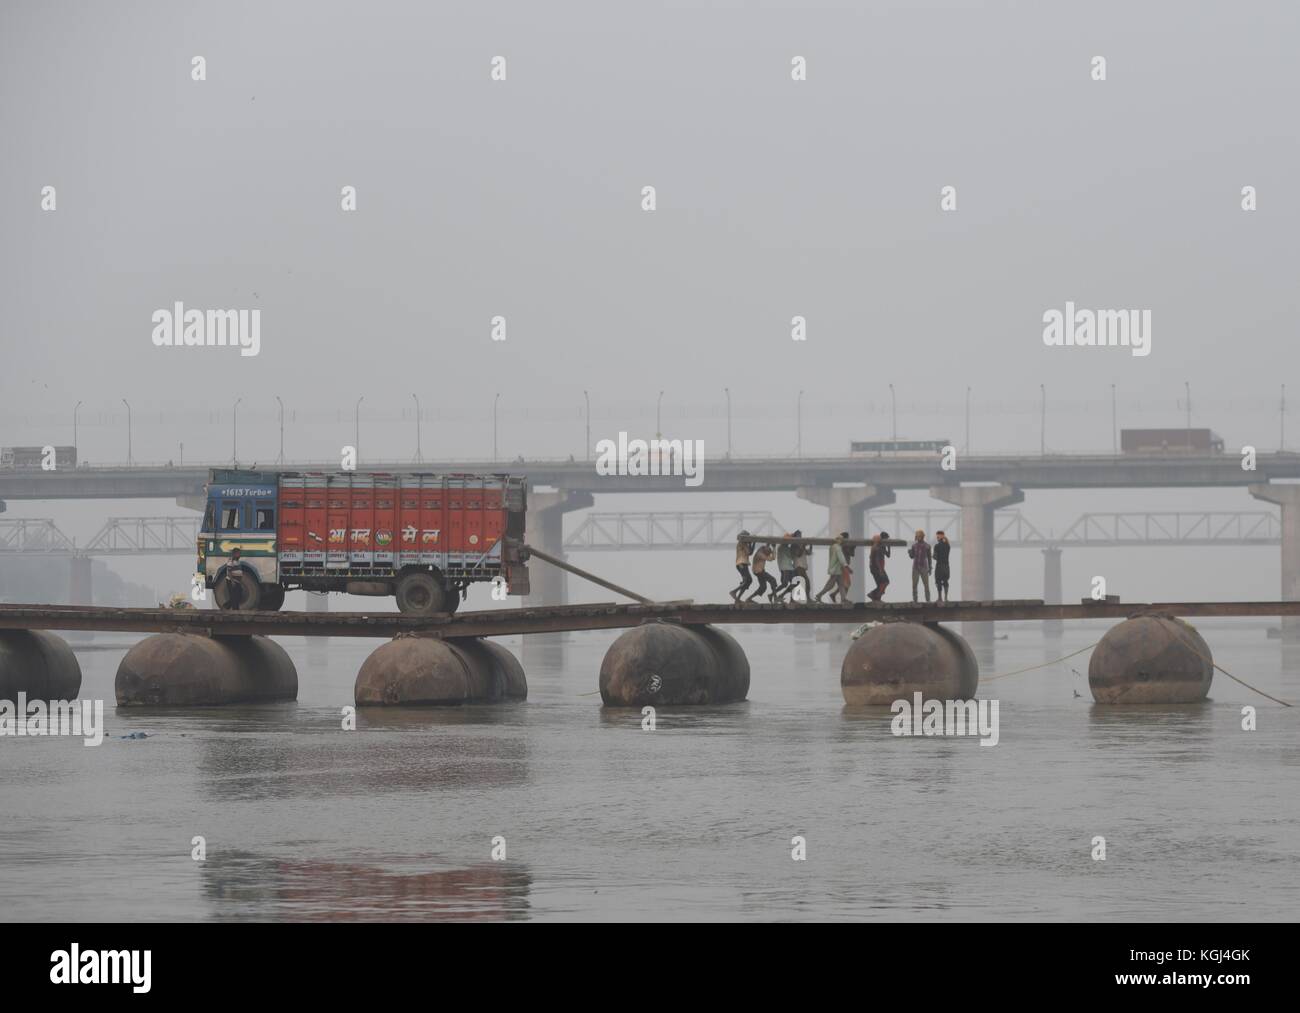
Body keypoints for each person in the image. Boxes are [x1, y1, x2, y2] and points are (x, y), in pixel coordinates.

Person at [815, 533, 849, 603]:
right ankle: (819, 595)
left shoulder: (832, 547)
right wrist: (846, 566)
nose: (841, 541)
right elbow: (841, 558)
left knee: (841, 584)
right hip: (836, 569)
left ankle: (843, 599)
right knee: (830, 585)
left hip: (836, 569)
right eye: (840, 540)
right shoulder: (838, 548)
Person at [908, 529, 933, 603]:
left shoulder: (927, 546)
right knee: (914, 585)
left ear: (922, 536)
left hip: (924, 567)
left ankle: (928, 600)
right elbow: (912, 556)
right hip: (915, 567)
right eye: (917, 536)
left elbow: (929, 558)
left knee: (926, 585)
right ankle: (915, 600)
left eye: (919, 536)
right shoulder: (914, 546)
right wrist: (910, 553)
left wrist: (930, 568)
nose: (918, 537)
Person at [730, 531, 754, 603]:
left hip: (742, 564)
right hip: (741, 563)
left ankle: (737, 598)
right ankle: (734, 592)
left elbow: (749, 553)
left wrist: (751, 544)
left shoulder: (742, 543)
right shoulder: (742, 543)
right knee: (747, 580)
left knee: (748, 580)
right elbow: (750, 552)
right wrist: (752, 544)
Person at [772, 534, 796, 601]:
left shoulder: (784, 547)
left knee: (793, 583)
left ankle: (780, 595)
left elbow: (790, 557)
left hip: (789, 567)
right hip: (786, 568)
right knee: (785, 583)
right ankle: (773, 595)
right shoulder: (782, 548)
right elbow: (791, 556)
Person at [868, 533, 890, 602]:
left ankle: (876, 597)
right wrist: (880, 570)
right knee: (885, 582)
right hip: (877, 568)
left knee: (881, 584)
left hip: (879, 567)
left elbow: (888, 555)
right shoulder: (877, 547)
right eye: (886, 539)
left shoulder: (881, 547)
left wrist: (889, 547)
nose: (887, 540)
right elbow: (877, 560)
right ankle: (874, 595)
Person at [934, 530, 952, 601]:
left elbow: (935, 557)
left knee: (938, 581)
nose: (937, 537)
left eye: (937, 536)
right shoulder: (948, 545)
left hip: (939, 566)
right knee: (945, 581)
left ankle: (940, 598)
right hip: (946, 566)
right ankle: (946, 598)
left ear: (941, 536)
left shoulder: (937, 546)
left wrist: (933, 556)